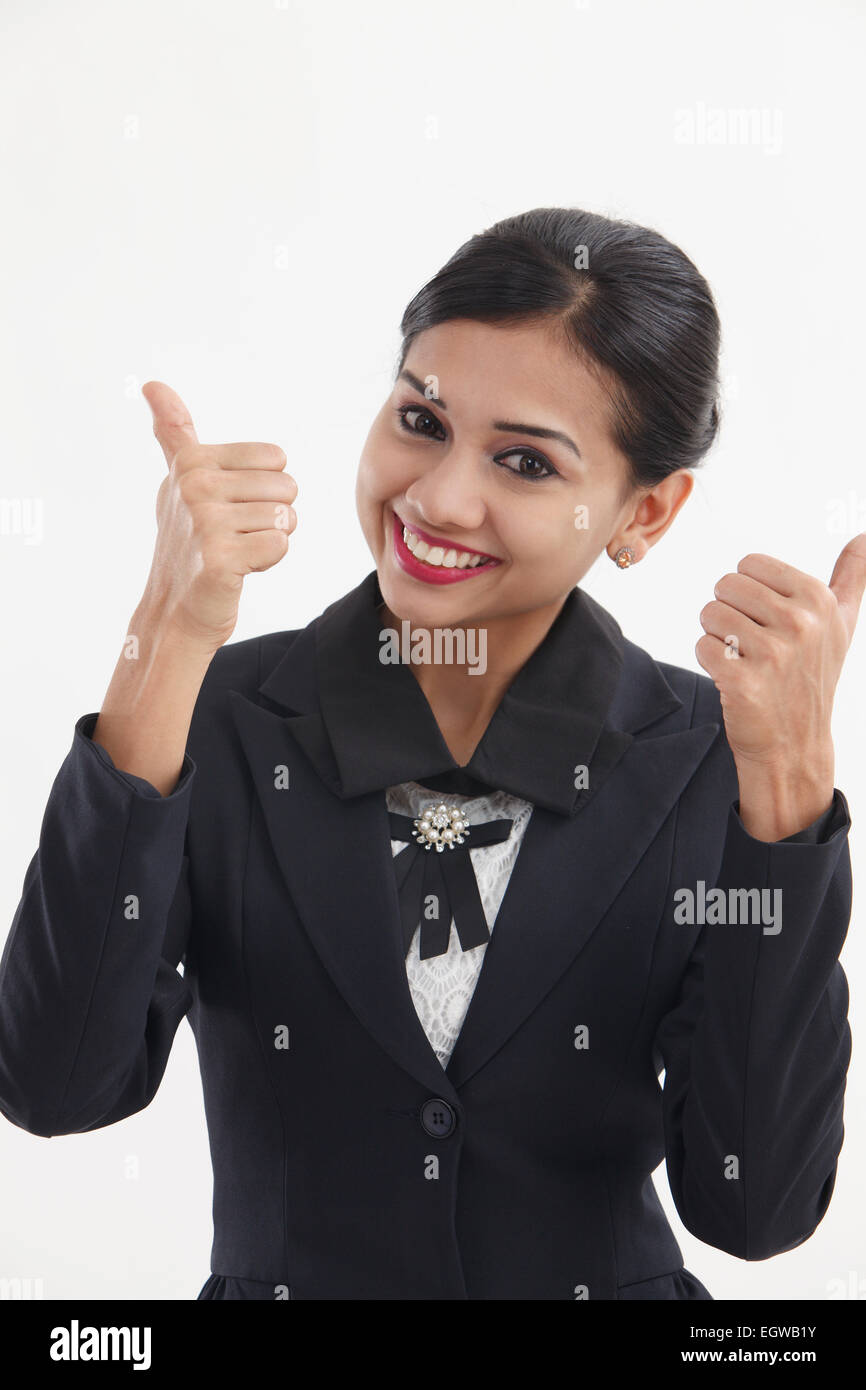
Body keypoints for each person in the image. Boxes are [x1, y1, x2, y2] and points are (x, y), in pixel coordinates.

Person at [0, 207, 859, 1300]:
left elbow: (753, 1209)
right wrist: (166, 635)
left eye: (523, 462)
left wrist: (785, 805)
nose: (439, 497)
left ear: (642, 512)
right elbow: (55, 1085)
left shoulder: (707, 760)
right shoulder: (218, 712)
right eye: (420, 417)